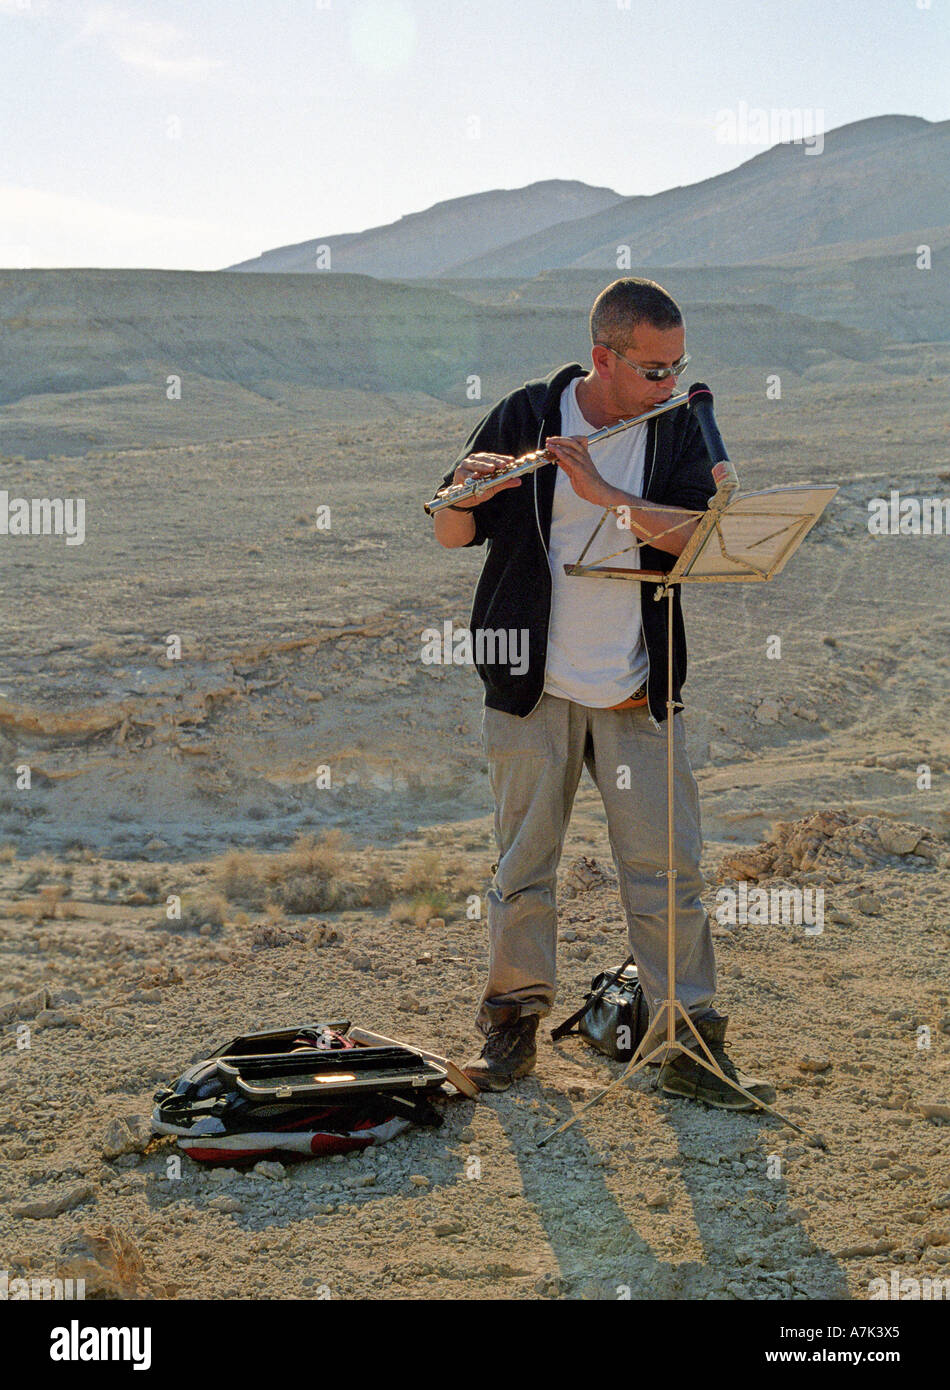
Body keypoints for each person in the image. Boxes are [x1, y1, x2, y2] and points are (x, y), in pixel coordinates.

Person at [430, 277, 775, 1110]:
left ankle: (688, 1040)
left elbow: (699, 541)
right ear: (603, 358)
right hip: (532, 688)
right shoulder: (528, 413)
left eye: (675, 366)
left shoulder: (678, 427)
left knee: (668, 872)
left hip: (635, 688)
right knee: (524, 868)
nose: (670, 383)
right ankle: (511, 1030)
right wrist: (468, 493)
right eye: (654, 370)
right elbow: (450, 530)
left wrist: (610, 501)